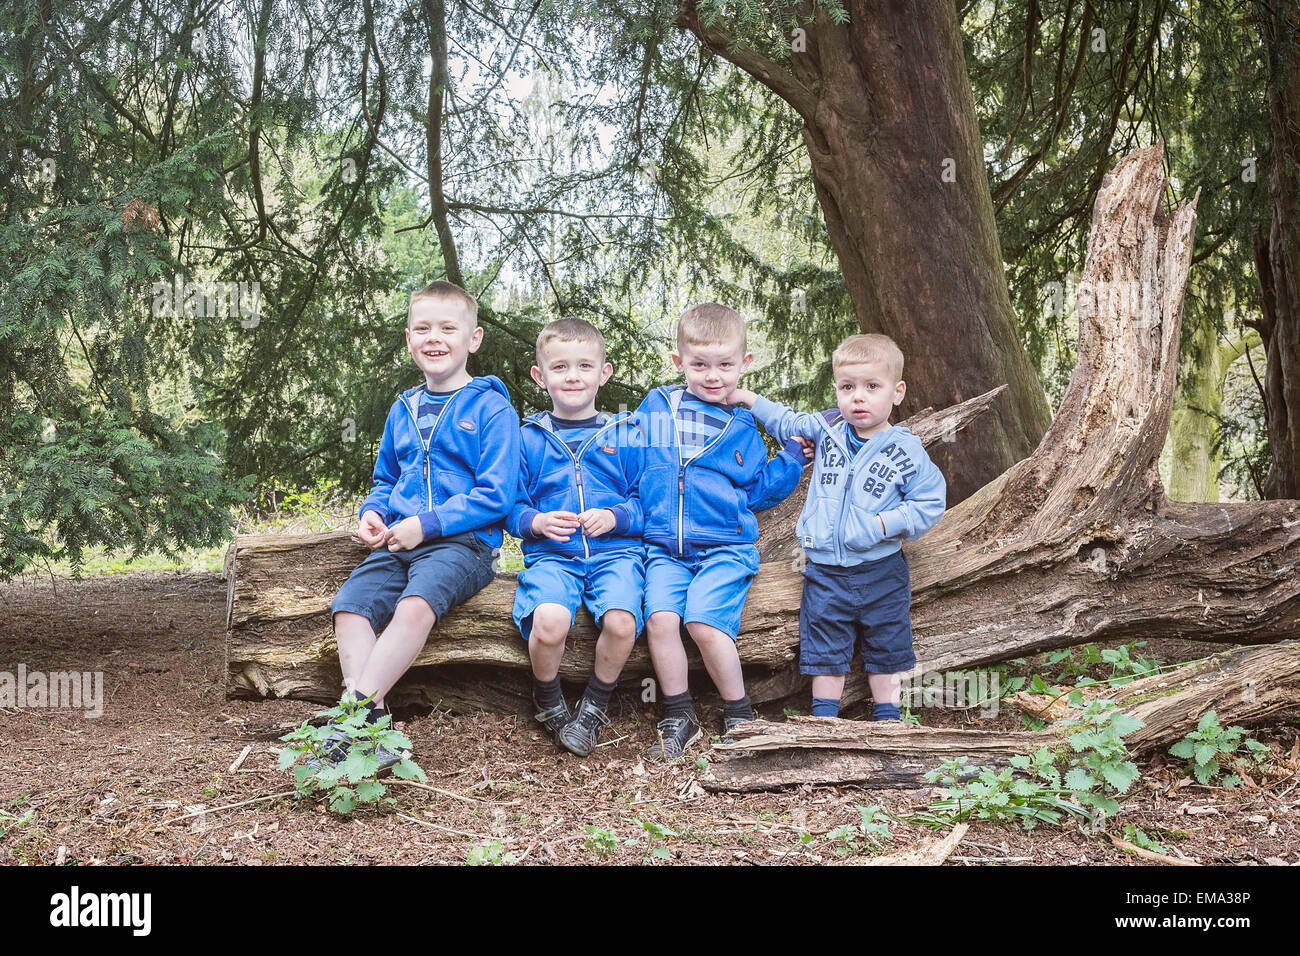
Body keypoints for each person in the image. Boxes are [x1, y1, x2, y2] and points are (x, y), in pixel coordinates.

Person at [321, 280, 520, 768]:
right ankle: (373, 725)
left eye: (448, 328)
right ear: (409, 339)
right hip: (398, 540)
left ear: (472, 339)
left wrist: (427, 525)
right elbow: (387, 477)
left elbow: (497, 495)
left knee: (414, 605)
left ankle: (349, 719)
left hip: (463, 544)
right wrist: (374, 512)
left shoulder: (491, 407)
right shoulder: (402, 408)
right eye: (423, 328)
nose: (435, 337)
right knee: (349, 607)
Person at [730, 333, 946, 722]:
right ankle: (824, 720)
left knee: (886, 644)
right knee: (824, 646)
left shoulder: (905, 449)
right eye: (848, 388)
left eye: (871, 387)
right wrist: (749, 399)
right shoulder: (828, 429)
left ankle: (888, 719)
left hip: (882, 570)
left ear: (897, 393)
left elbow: (930, 502)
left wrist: (884, 523)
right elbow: (788, 421)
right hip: (825, 570)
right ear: (836, 390)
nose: (858, 397)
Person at [636, 302, 808, 760]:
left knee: (702, 621)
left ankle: (739, 714)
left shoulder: (742, 427)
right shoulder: (658, 406)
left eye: (725, 365)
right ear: (679, 363)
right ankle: (678, 714)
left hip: (725, 549)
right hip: (664, 550)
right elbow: (629, 463)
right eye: (699, 365)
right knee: (660, 620)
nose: (713, 376)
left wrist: (791, 459)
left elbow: (758, 489)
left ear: (744, 364)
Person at [507, 318, 646, 757]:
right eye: (560, 367)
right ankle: (548, 700)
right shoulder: (528, 438)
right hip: (554, 557)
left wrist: (616, 516)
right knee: (549, 623)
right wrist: (536, 523)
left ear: (604, 373)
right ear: (540, 376)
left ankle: (594, 707)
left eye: (585, 366)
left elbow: (649, 503)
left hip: (617, 555)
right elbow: (510, 506)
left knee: (622, 622)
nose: (573, 376)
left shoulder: (625, 434)